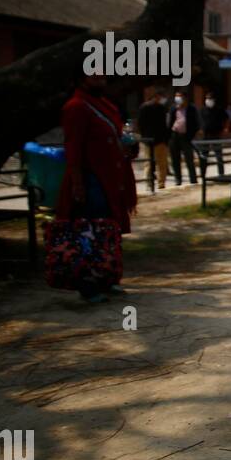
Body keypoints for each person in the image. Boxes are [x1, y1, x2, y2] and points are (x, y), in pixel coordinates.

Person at [55, 69, 138, 302]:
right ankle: (88, 285)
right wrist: (77, 183)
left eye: (103, 77)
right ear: (82, 79)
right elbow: (74, 149)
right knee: (90, 233)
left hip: (112, 179)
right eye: (95, 77)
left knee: (109, 232)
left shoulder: (105, 105)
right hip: (92, 180)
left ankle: (107, 278)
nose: (100, 81)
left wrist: (127, 146)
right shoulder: (76, 107)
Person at [136, 88, 169, 189]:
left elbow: (140, 124)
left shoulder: (144, 107)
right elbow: (164, 124)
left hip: (150, 139)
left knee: (150, 163)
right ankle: (159, 183)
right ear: (157, 96)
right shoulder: (159, 108)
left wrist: (143, 136)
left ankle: (150, 183)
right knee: (160, 163)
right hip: (158, 139)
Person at [167, 91, 200, 185]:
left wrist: (192, 135)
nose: (178, 98)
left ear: (185, 98)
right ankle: (178, 180)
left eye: (180, 97)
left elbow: (196, 123)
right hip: (174, 136)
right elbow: (170, 122)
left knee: (189, 159)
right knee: (175, 159)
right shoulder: (173, 108)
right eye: (176, 96)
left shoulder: (191, 108)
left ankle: (193, 180)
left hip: (186, 136)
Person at [200, 91, 227, 175]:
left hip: (216, 135)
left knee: (218, 155)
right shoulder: (202, 109)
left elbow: (227, 118)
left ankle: (221, 174)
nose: (208, 100)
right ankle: (203, 174)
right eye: (207, 98)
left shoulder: (219, 109)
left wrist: (226, 129)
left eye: (210, 98)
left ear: (214, 100)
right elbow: (199, 120)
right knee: (204, 156)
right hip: (206, 136)